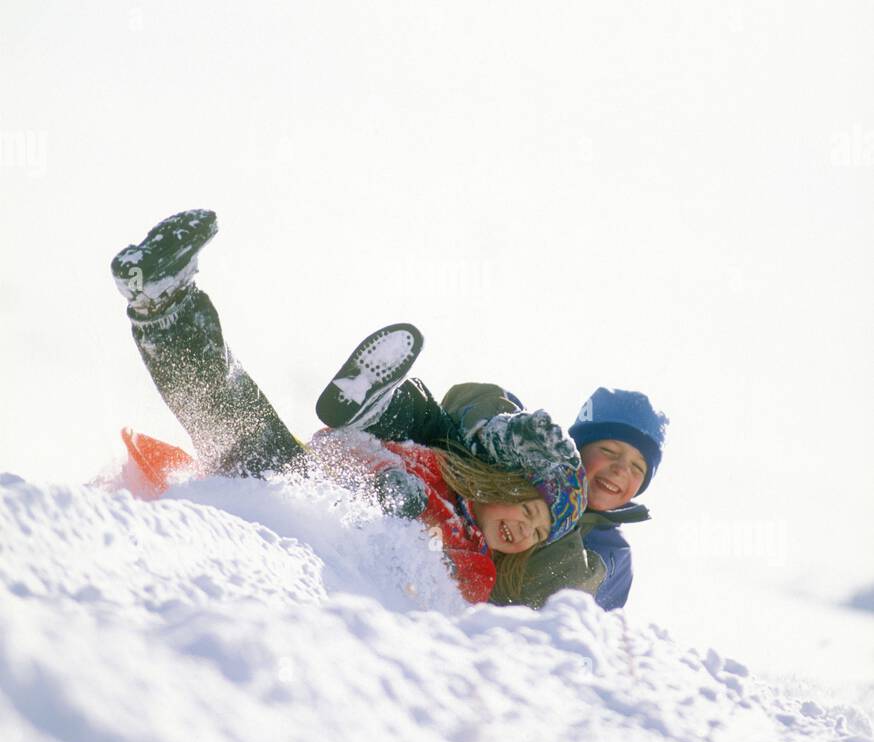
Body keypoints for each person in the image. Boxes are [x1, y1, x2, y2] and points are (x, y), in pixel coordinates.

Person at [110, 208, 587, 606]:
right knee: (235, 416)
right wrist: (389, 485)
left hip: (326, 570)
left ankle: (164, 305)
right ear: (504, 480)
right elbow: (344, 453)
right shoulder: (438, 468)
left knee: (235, 421)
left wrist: (420, 517)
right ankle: (161, 297)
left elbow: (439, 594)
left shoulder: (480, 567)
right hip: (300, 493)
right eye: (530, 510)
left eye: (539, 534)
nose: (525, 530)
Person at [318, 368, 668, 612]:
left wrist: (562, 526)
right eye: (609, 452)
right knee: (438, 426)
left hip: (479, 600)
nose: (621, 470)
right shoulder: (536, 468)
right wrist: (495, 437)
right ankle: (373, 410)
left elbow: (560, 597)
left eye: (638, 468)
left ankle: (374, 465)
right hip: (433, 484)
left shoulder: (611, 553)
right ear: (577, 448)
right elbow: (474, 398)